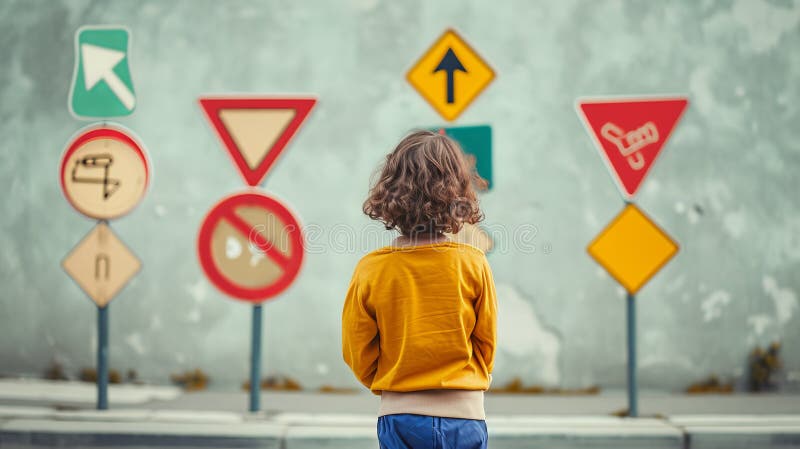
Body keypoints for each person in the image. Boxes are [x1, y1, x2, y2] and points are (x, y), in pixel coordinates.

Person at [342, 130, 497, 449]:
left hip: (400, 417)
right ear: (459, 195)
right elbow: (486, 343)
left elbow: (357, 350)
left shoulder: (371, 269)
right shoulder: (473, 263)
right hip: (465, 418)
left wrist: (393, 384)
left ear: (389, 193)